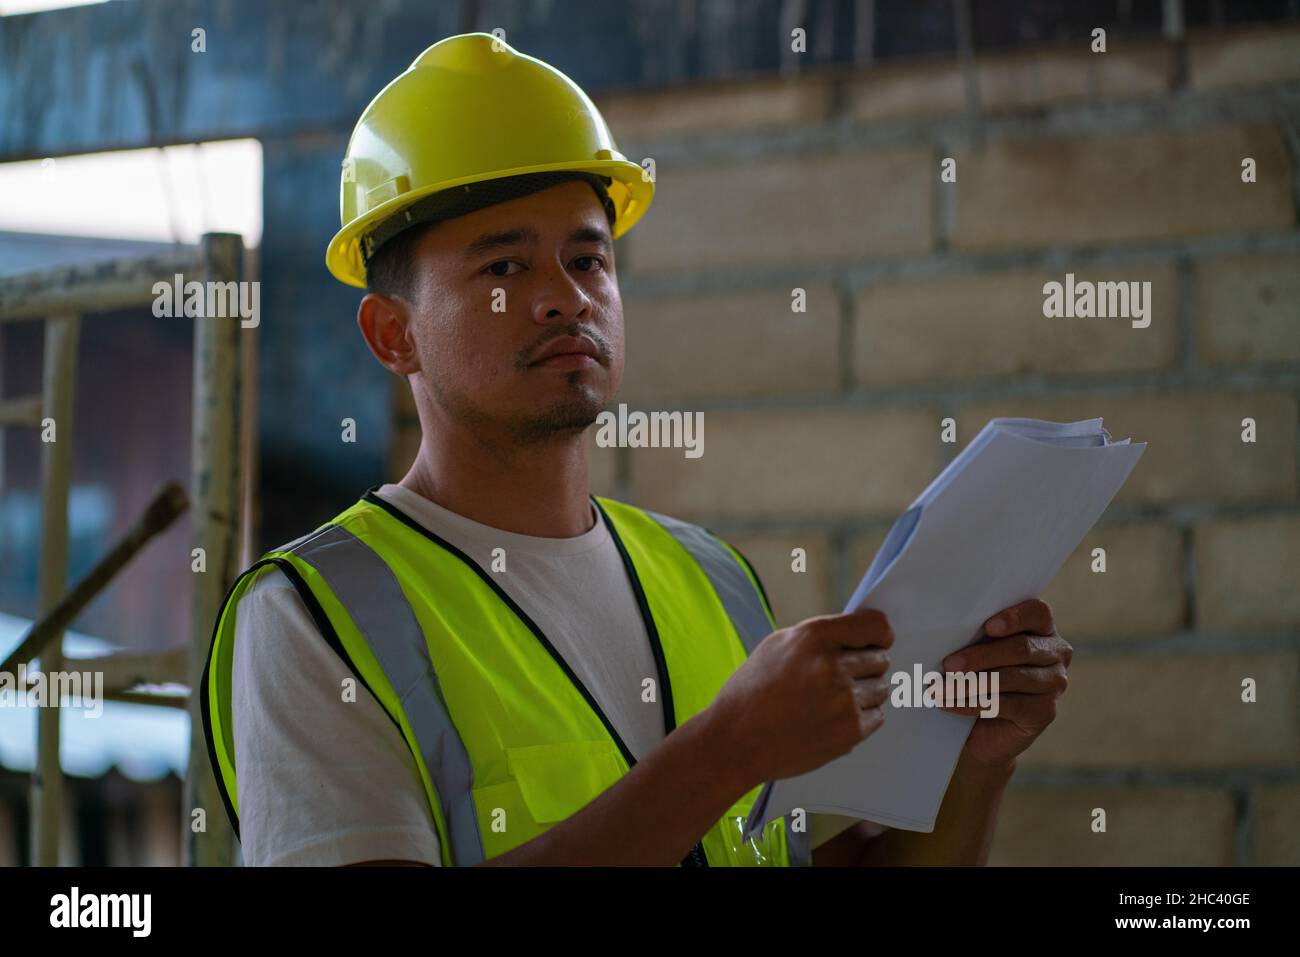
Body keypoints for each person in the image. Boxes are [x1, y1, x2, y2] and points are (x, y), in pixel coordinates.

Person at [202, 32, 1072, 867]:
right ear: (394, 334)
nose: (564, 298)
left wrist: (977, 757)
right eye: (503, 270)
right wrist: (722, 754)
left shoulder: (711, 578)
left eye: (589, 259)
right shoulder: (313, 617)